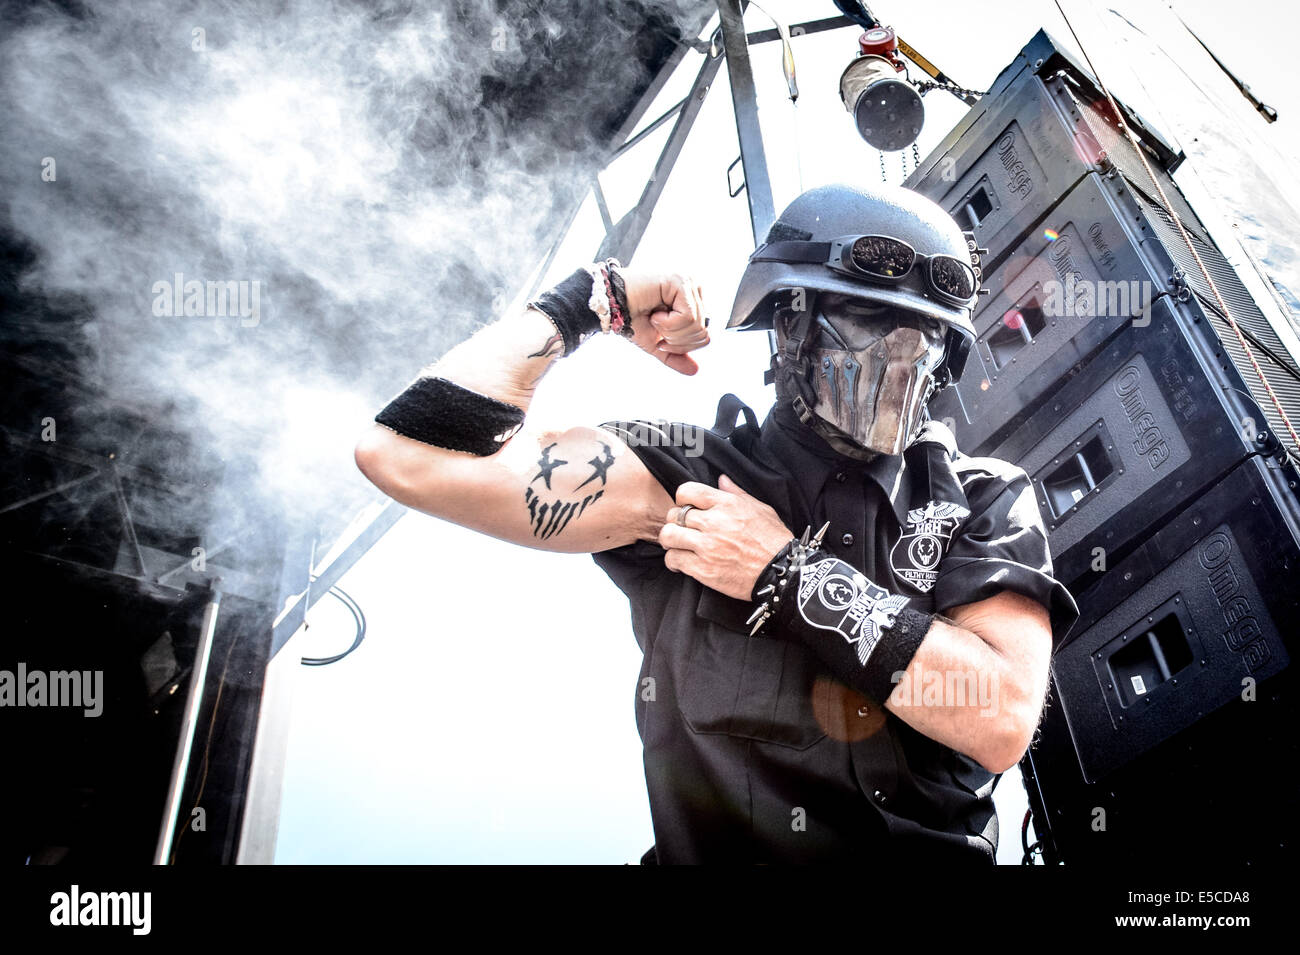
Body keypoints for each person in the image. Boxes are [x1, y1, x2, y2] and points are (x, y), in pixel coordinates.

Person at [354, 182, 1079, 865]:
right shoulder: (679, 479)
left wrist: (785, 573)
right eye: (869, 320)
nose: (899, 358)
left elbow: (999, 715)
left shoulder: (980, 498)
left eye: (925, 335)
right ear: (789, 319)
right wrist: (594, 301)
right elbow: (407, 455)